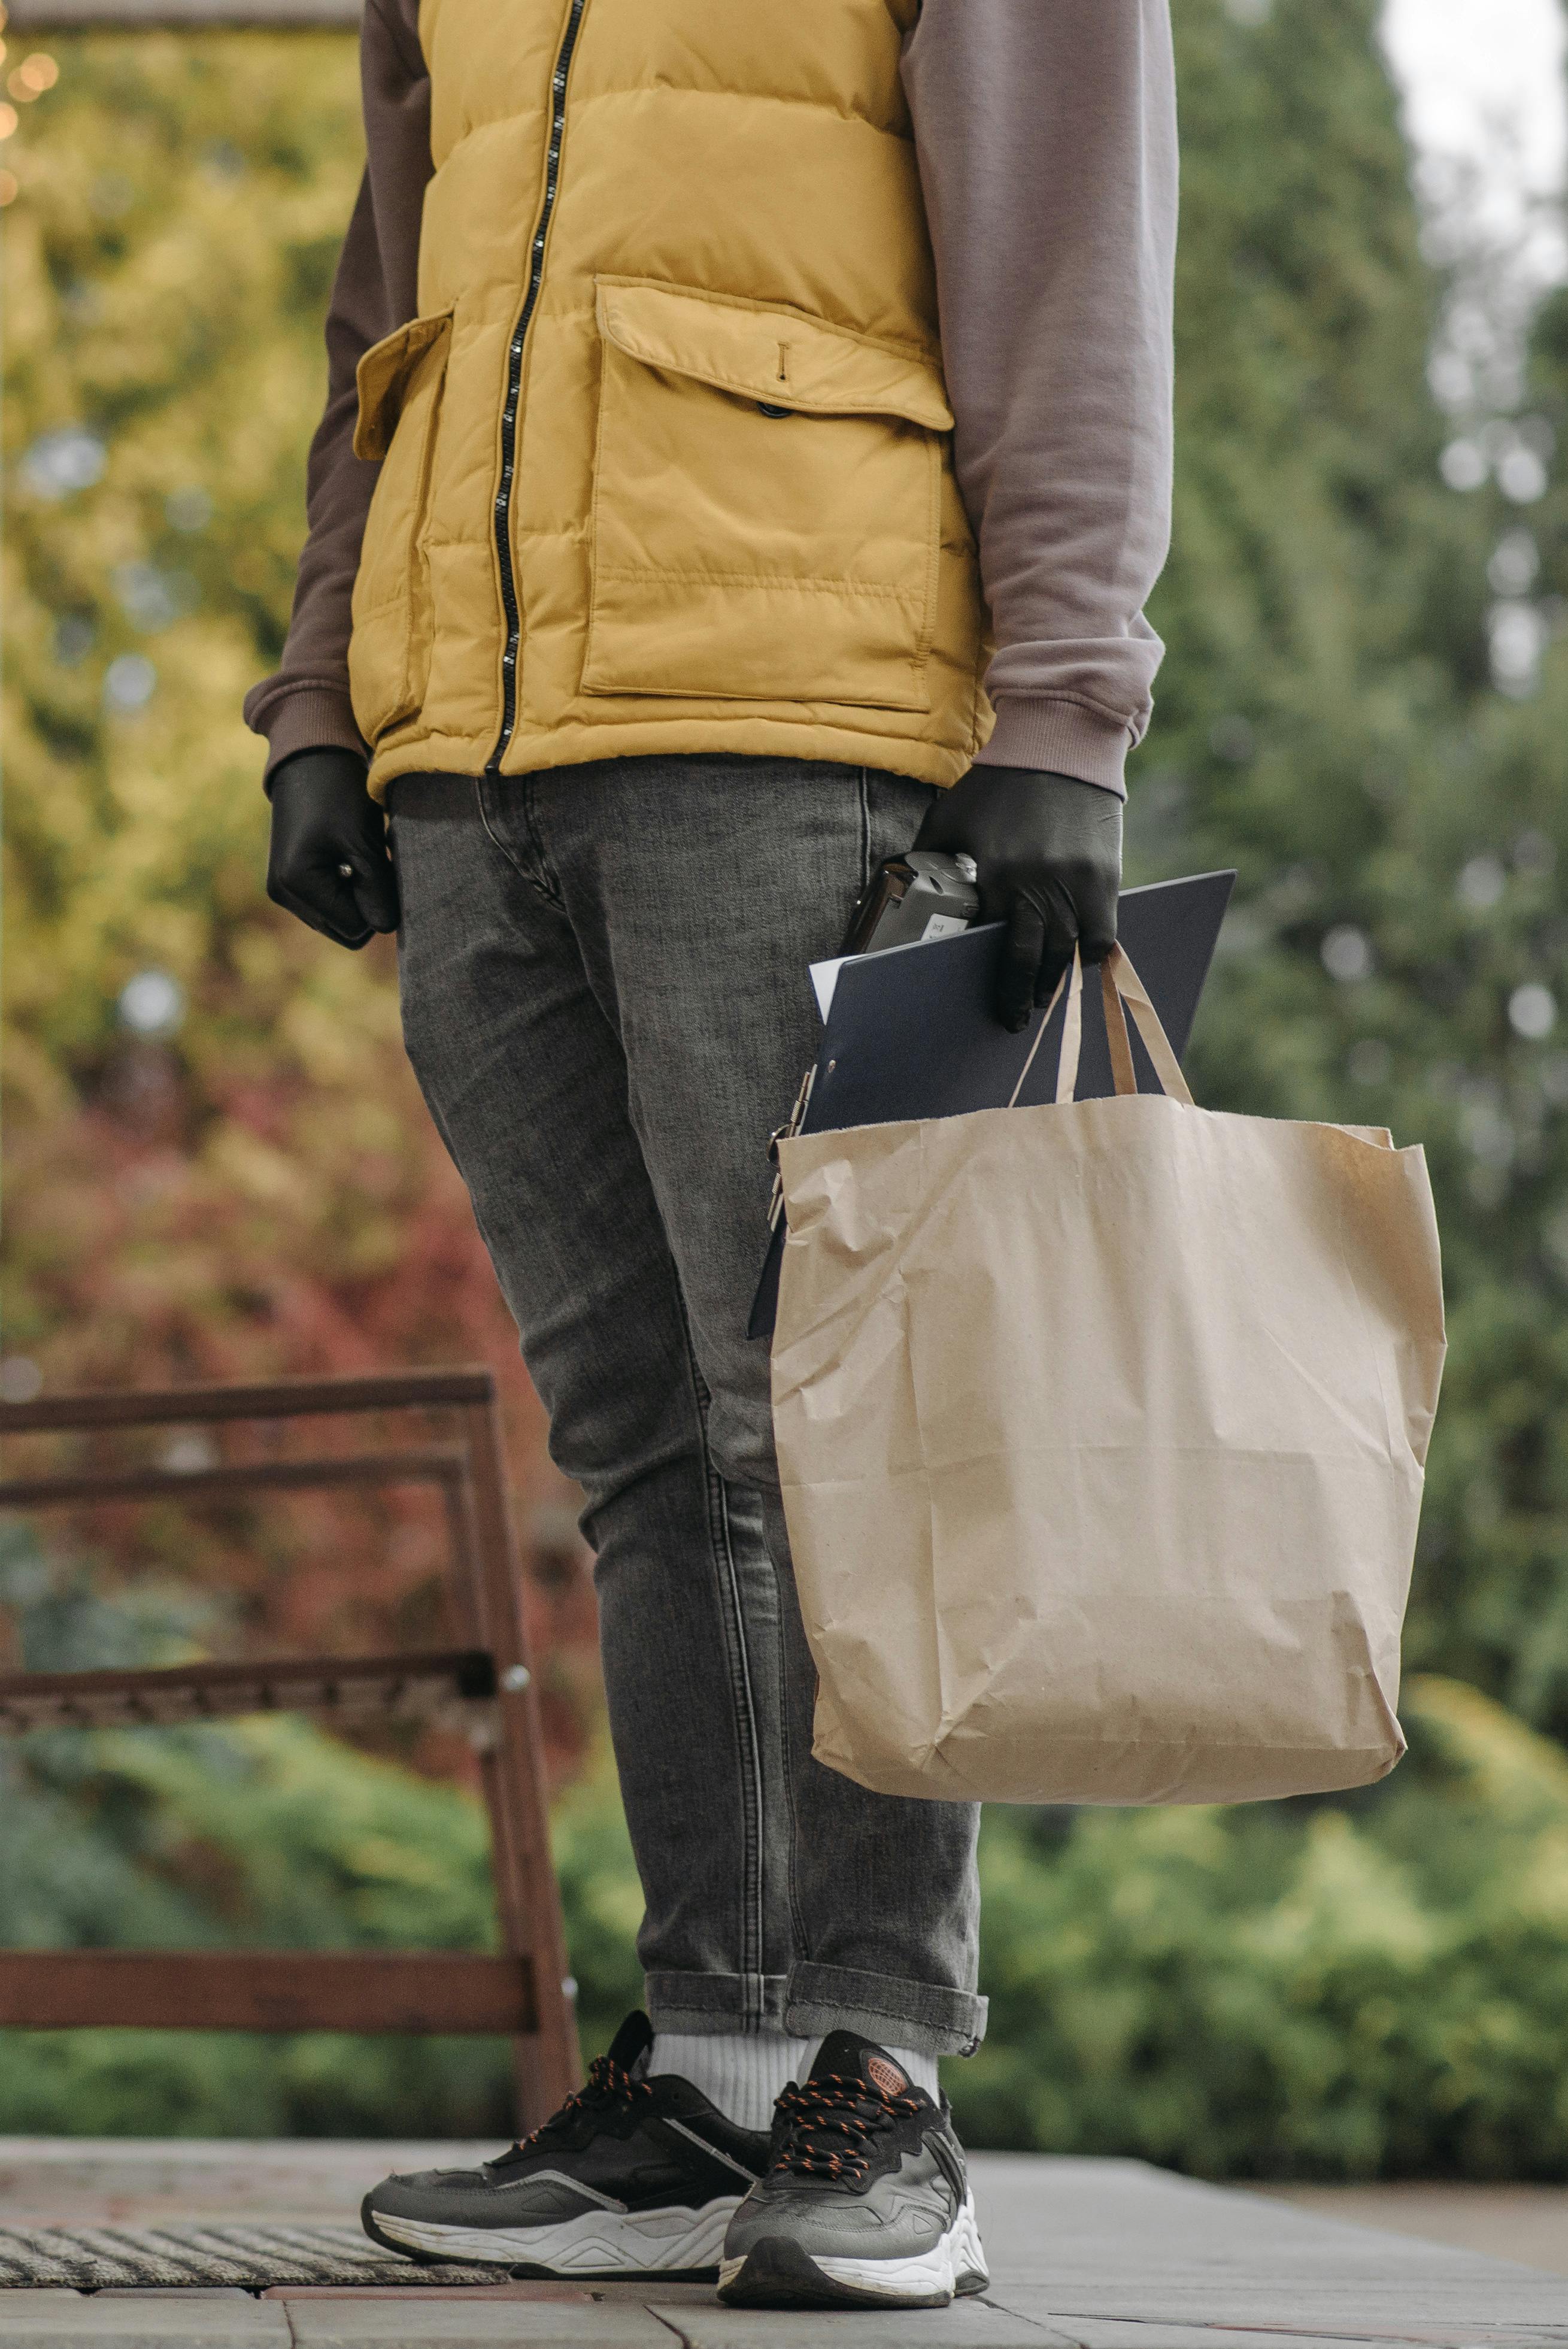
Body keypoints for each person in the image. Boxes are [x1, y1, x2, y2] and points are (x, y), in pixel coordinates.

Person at [247, 0, 1176, 2312]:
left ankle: (880, 2077)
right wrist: (318, 696)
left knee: (835, 1421)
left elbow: (1072, 246)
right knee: (649, 1444)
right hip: (469, 743)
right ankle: (726, 2065)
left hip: (796, 722)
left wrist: (1062, 696)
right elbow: (395, 309)